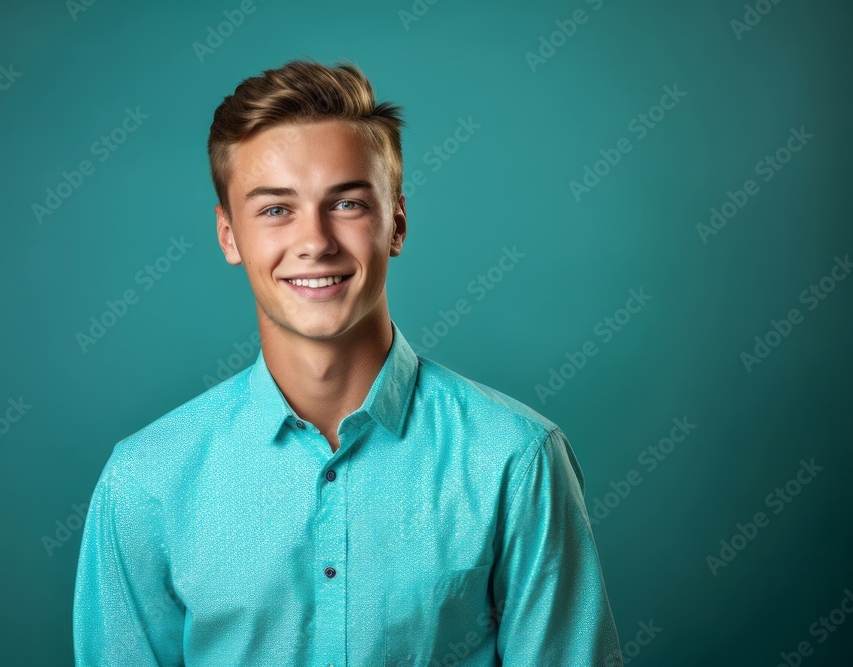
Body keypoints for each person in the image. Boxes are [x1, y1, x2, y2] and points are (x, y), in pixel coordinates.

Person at [73, 58, 623, 666]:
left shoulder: (516, 459)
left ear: (397, 223)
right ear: (229, 236)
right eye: (276, 209)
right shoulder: (145, 482)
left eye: (347, 204)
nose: (315, 242)